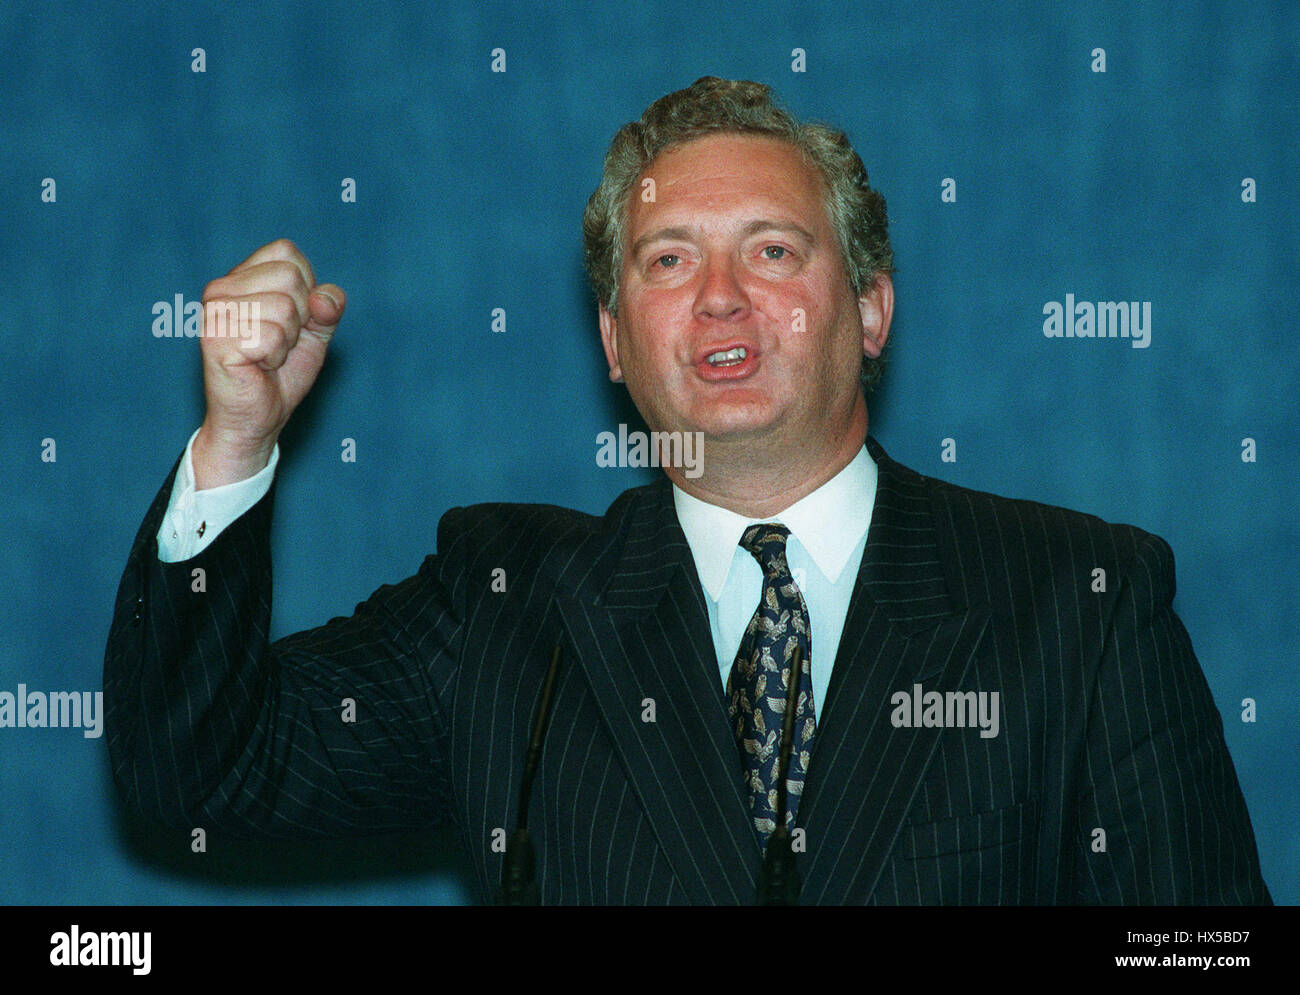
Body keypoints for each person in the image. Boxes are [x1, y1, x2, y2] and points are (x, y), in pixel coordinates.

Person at [104, 76, 1271, 905]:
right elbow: (202, 770)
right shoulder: (509, 606)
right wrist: (236, 436)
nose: (718, 296)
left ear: (870, 308)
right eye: (668, 261)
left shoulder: (1078, 598)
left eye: (771, 248)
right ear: (615, 339)